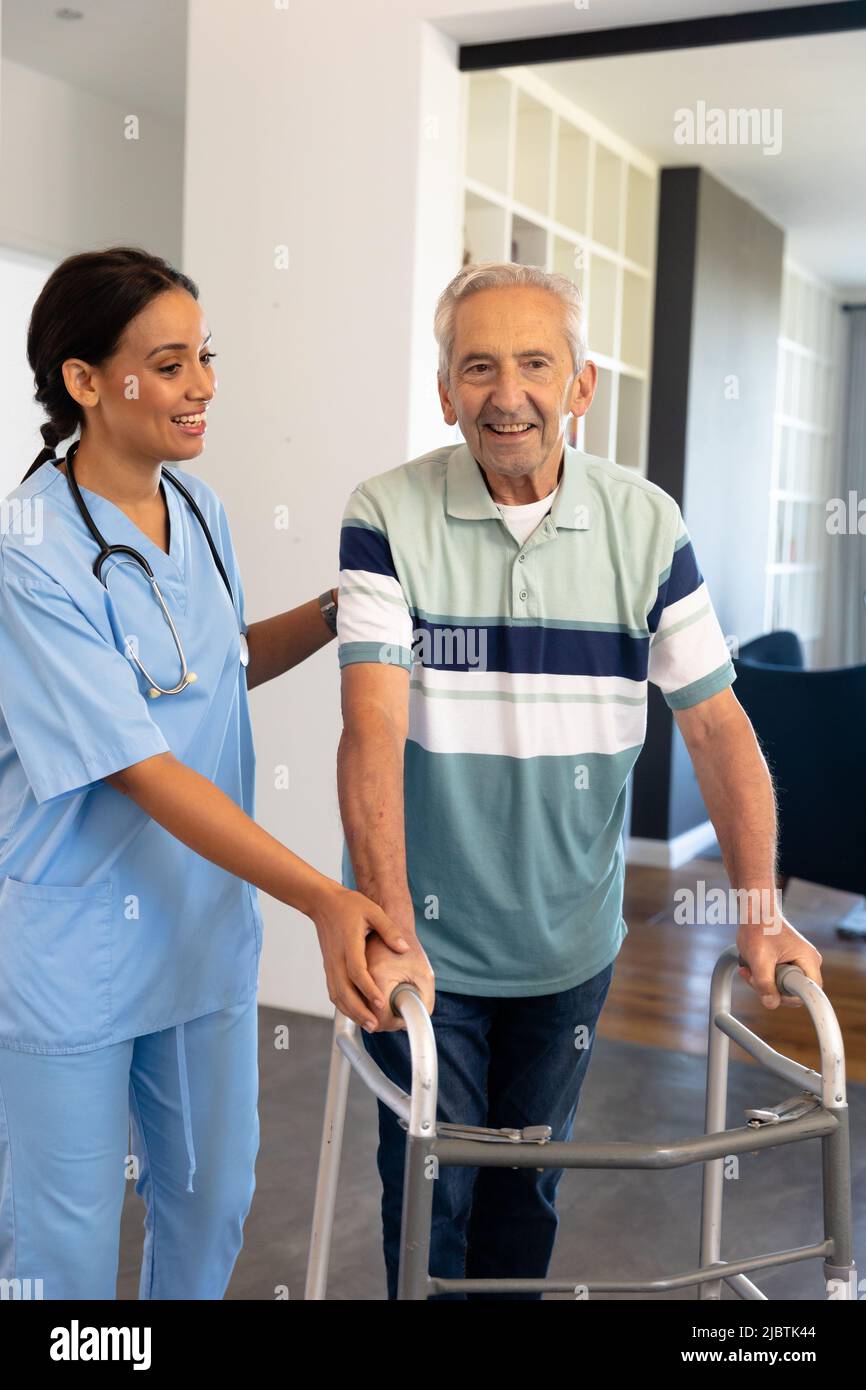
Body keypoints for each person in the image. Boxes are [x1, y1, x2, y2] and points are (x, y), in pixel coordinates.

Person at [335, 261, 823, 1300]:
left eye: (532, 364)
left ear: (580, 386)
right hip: (424, 941)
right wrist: (383, 914)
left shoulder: (645, 525)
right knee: (429, 1192)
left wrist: (756, 909)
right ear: (444, 392)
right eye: (476, 367)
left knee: (527, 1186)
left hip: (568, 946)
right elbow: (369, 729)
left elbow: (719, 731)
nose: (504, 394)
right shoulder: (386, 512)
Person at [0, 246, 410, 1301]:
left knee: (212, 1198)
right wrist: (323, 894)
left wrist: (338, 609)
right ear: (86, 381)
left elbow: (212, 664)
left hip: (197, 927)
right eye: (169, 363)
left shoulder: (202, 513)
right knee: (67, 1247)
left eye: (205, 358)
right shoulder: (26, 549)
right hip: (72, 945)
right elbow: (136, 761)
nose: (202, 388)